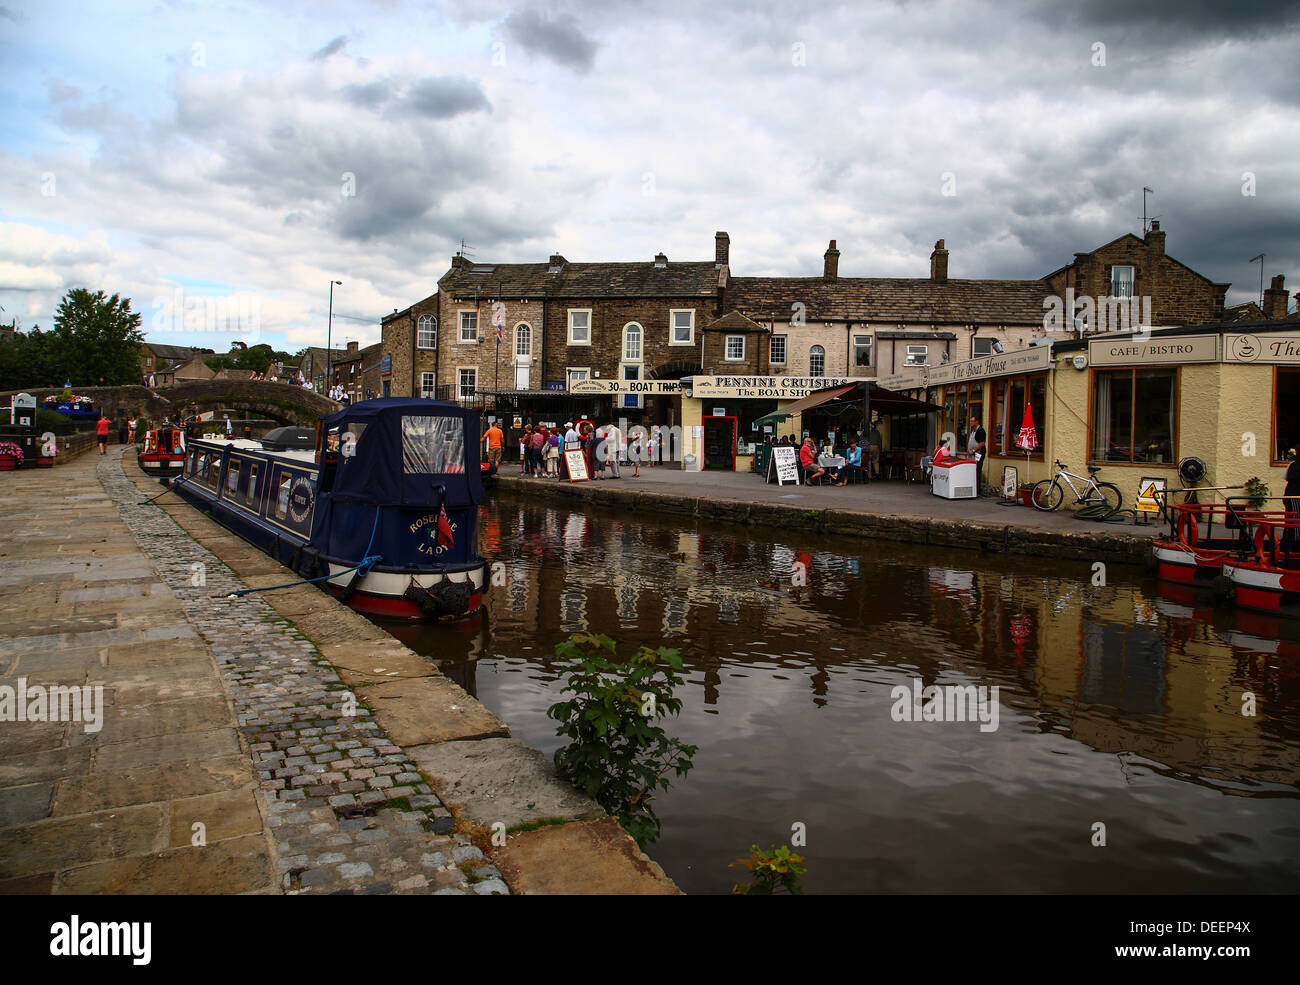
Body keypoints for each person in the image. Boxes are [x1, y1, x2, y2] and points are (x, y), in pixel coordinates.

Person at [967, 414, 987, 489]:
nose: (971, 423)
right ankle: (972, 487)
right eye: (970, 421)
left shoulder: (981, 431)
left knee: (977, 470)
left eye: (972, 421)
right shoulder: (973, 430)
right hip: (972, 454)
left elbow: (982, 443)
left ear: (977, 422)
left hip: (979, 454)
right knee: (972, 470)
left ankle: (977, 489)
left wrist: (973, 450)